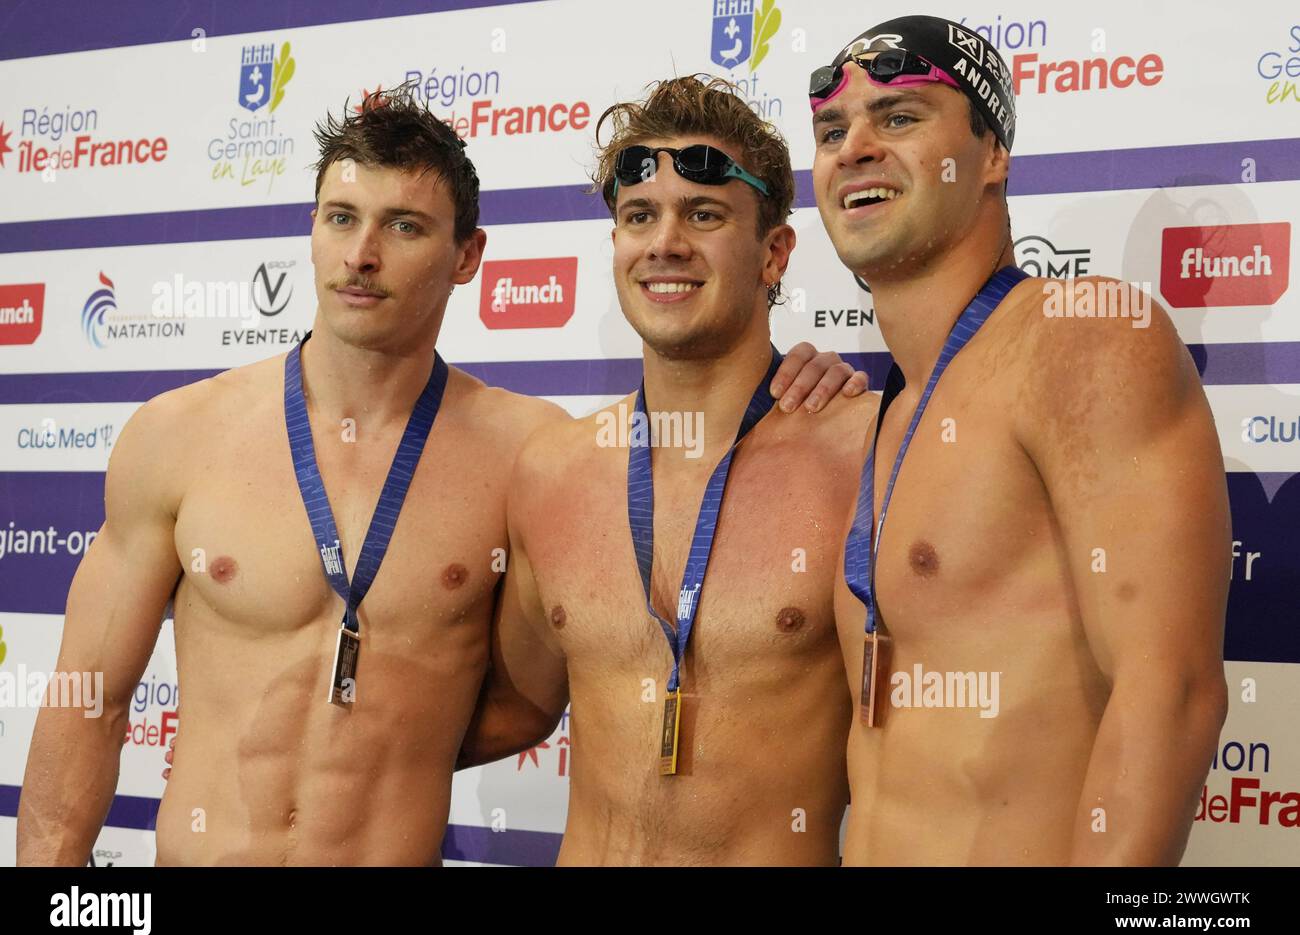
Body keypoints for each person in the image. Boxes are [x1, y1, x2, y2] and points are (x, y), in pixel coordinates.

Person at [17, 82, 858, 866]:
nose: (362, 255)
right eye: (341, 218)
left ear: (466, 256)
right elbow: (89, 701)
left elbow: (531, 700)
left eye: (404, 227)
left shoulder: (534, 456)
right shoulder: (178, 435)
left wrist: (396, 742)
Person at [809, 15, 1230, 864]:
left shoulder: (1083, 340)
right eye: (830, 131)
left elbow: (1172, 692)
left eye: (899, 117)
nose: (854, 148)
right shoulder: (883, 409)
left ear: (993, 155)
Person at [458, 76, 873, 865]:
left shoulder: (862, 452)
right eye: (639, 216)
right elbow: (515, 708)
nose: (665, 243)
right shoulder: (552, 471)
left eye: (704, 215)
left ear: (774, 253)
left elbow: (938, 749)